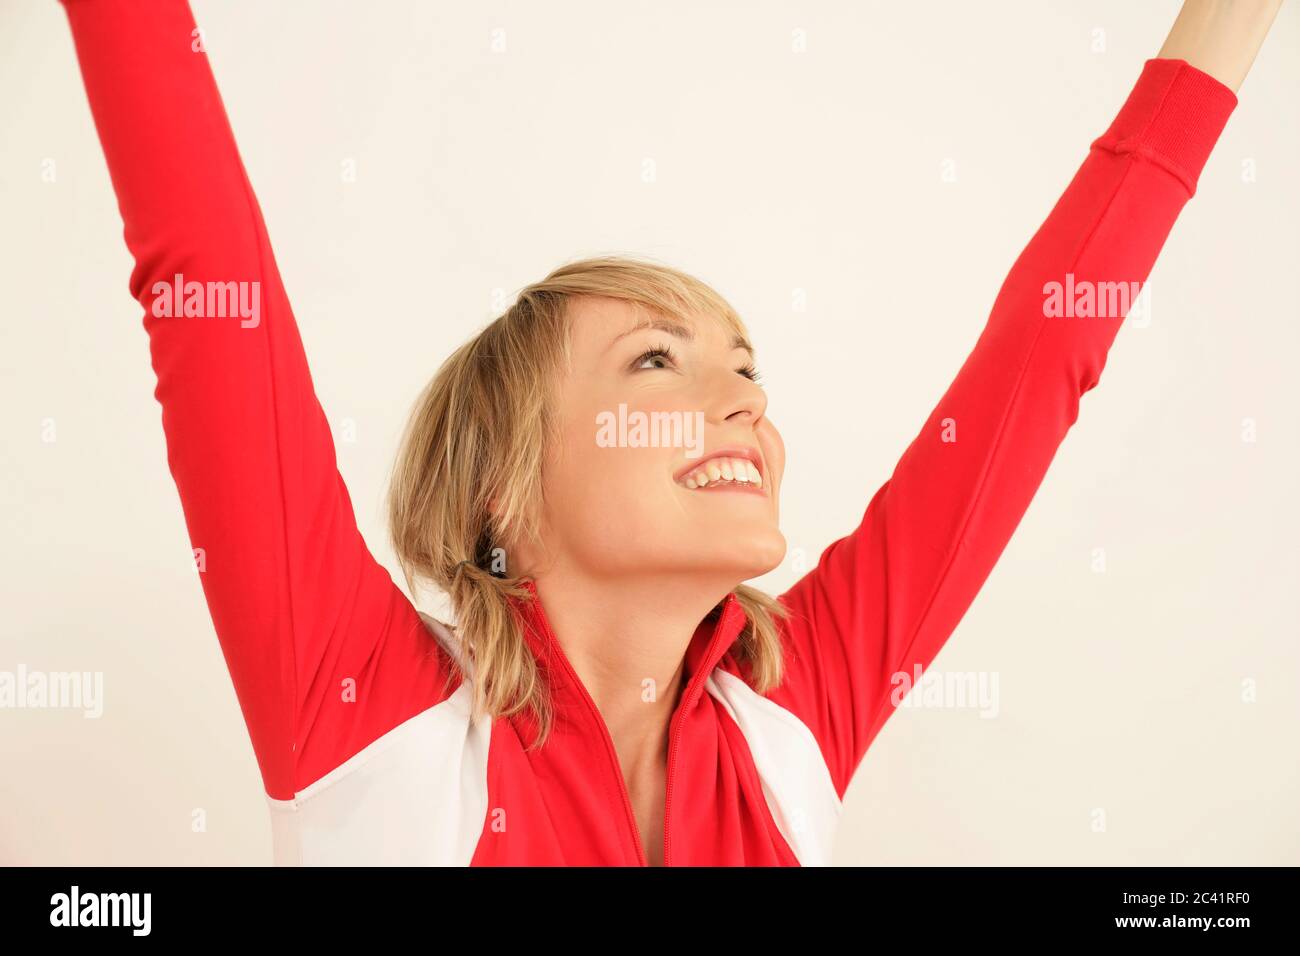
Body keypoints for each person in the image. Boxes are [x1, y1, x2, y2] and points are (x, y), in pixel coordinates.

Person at [59, 0, 1282, 865]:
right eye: (660, 360)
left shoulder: (788, 715)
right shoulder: (369, 716)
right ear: (502, 489)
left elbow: (1041, 358)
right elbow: (203, 267)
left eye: (747, 366)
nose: (746, 399)